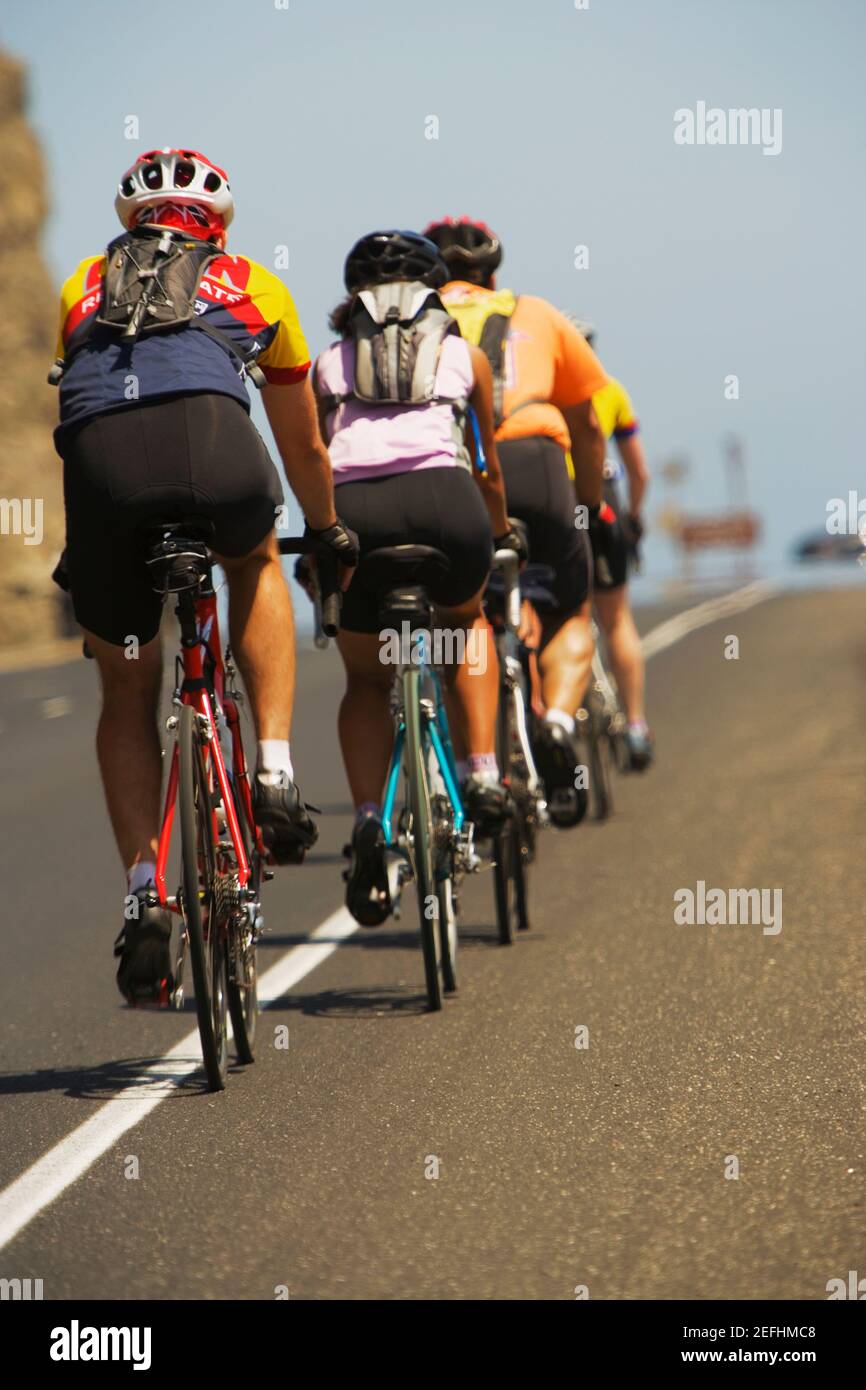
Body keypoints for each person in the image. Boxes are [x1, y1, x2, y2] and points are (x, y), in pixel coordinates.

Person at [51, 147, 357, 1004]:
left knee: (125, 691)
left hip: (102, 471)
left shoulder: (80, 283)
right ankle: (273, 772)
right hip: (215, 454)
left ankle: (145, 893)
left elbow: (78, 405)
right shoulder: (256, 284)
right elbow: (303, 444)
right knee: (253, 558)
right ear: (217, 224)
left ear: (130, 223)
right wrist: (326, 530)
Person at [312, 230, 519, 926]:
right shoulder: (463, 355)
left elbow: (314, 460)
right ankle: (483, 773)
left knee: (368, 678)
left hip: (356, 518)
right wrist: (499, 533)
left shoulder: (327, 363)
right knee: (466, 625)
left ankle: (370, 820)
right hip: (446, 504)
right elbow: (486, 465)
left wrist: (322, 544)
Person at [423, 217, 608, 825]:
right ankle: (555, 721)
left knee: (463, 613)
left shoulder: (415, 323)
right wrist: (585, 506)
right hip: (536, 465)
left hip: (455, 473)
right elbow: (586, 424)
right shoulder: (537, 313)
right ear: (492, 275)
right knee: (566, 610)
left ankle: (476, 758)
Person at [568, 318, 653, 769]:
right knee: (617, 617)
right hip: (604, 507)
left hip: (556, 507)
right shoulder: (612, 390)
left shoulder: (538, 392)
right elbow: (639, 472)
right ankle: (636, 726)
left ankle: (556, 721)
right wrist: (634, 521)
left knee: (568, 620)